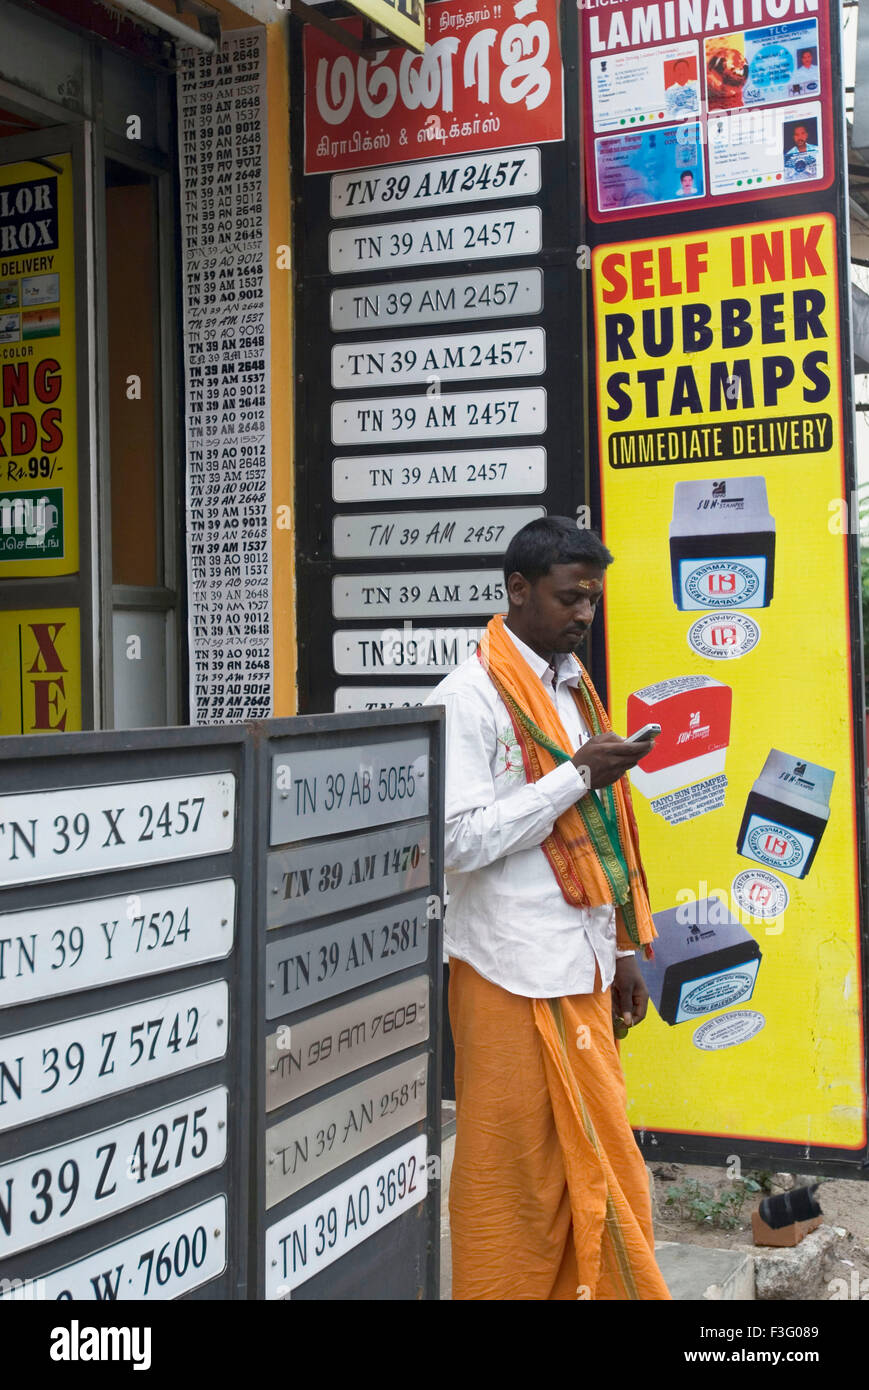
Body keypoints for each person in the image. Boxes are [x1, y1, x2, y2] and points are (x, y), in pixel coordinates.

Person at [426, 517, 671, 1301]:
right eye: (569, 599)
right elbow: (456, 842)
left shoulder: (572, 687)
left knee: (597, 1164)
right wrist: (574, 776)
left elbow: (597, 838)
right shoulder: (467, 697)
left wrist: (624, 953)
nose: (582, 616)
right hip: (507, 970)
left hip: (582, 964)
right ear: (518, 590)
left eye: (592, 602)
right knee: (513, 1179)